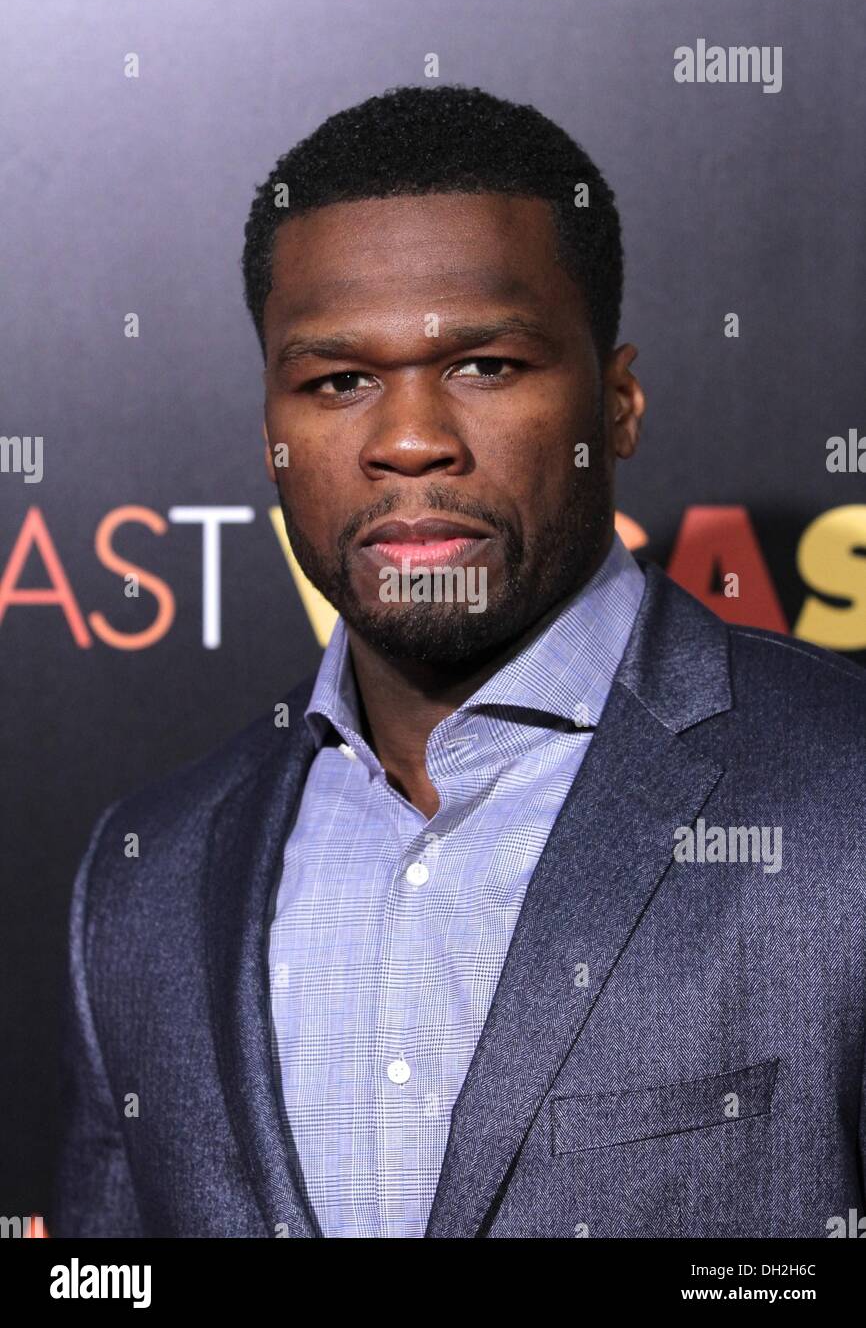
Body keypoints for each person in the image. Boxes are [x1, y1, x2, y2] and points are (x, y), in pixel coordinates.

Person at [52, 85, 866, 1239]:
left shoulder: (843, 799)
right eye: (338, 381)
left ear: (617, 401)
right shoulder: (145, 877)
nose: (406, 440)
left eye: (483, 364)